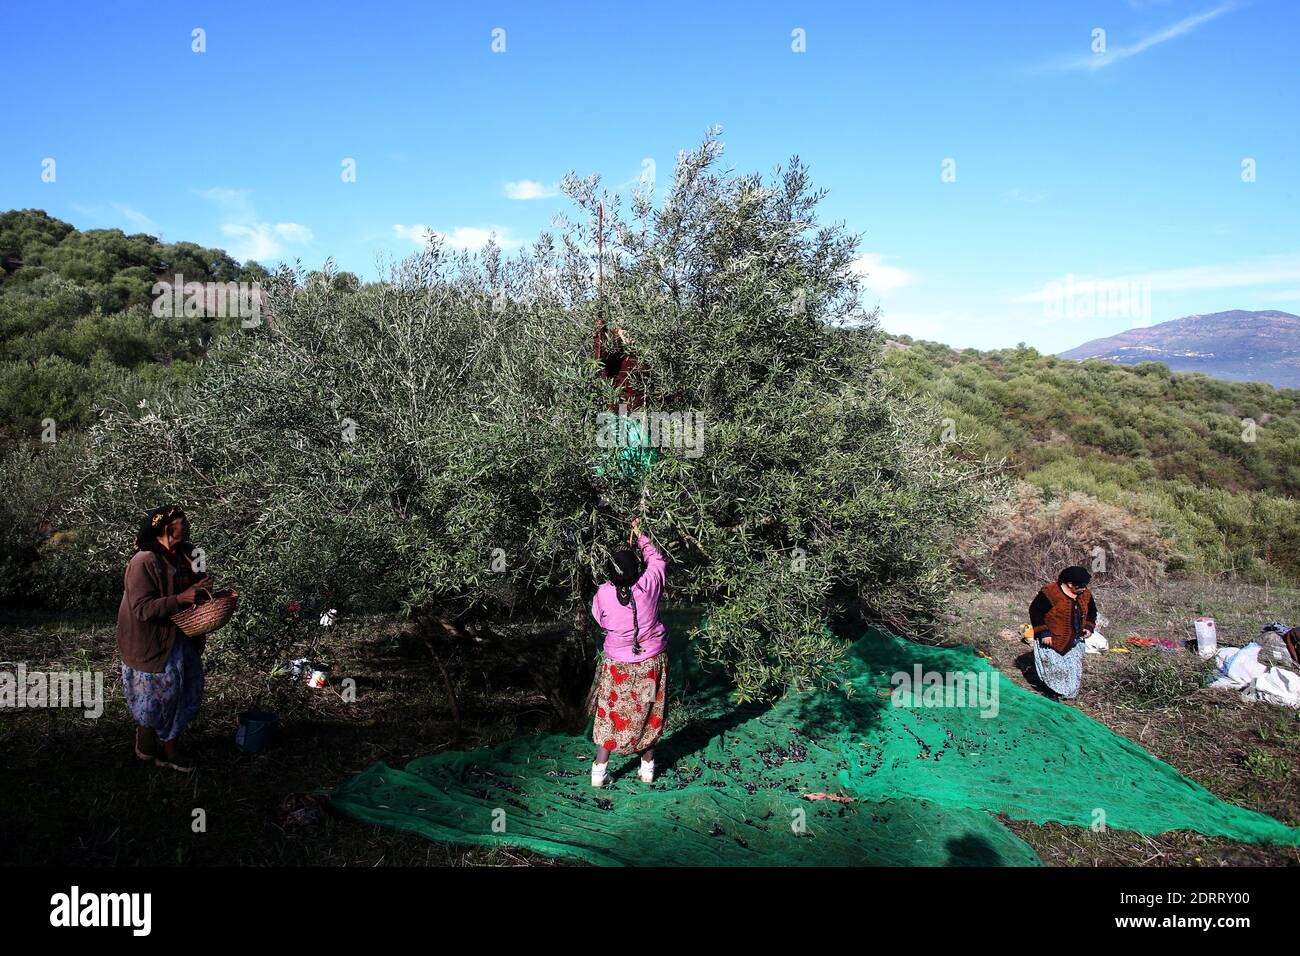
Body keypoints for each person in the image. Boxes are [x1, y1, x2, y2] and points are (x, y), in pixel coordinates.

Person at [116, 505, 209, 773]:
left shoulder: (193, 552)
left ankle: (169, 751)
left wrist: (204, 589)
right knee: (158, 698)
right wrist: (182, 598)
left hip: (182, 634)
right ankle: (147, 738)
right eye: (183, 521)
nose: (188, 525)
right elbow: (143, 609)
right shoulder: (143, 561)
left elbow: (202, 579)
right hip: (151, 641)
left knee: (183, 691)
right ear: (168, 528)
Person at [588, 519, 668, 786]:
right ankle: (647, 768)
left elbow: (600, 620)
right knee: (649, 710)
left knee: (610, 711)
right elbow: (657, 561)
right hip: (650, 664)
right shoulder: (650, 585)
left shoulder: (603, 594)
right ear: (637, 570)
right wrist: (641, 536)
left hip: (618, 667)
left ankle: (599, 769)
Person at [1028, 565, 1098, 700]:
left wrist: (1089, 627)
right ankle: (1052, 692)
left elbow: (1092, 612)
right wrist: (1044, 632)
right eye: (1081, 586)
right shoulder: (1050, 593)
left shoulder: (1085, 594)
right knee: (1054, 669)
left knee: (1071, 671)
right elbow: (1035, 612)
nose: (1084, 588)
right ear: (1070, 584)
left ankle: (1066, 693)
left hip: (1075, 640)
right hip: (1052, 639)